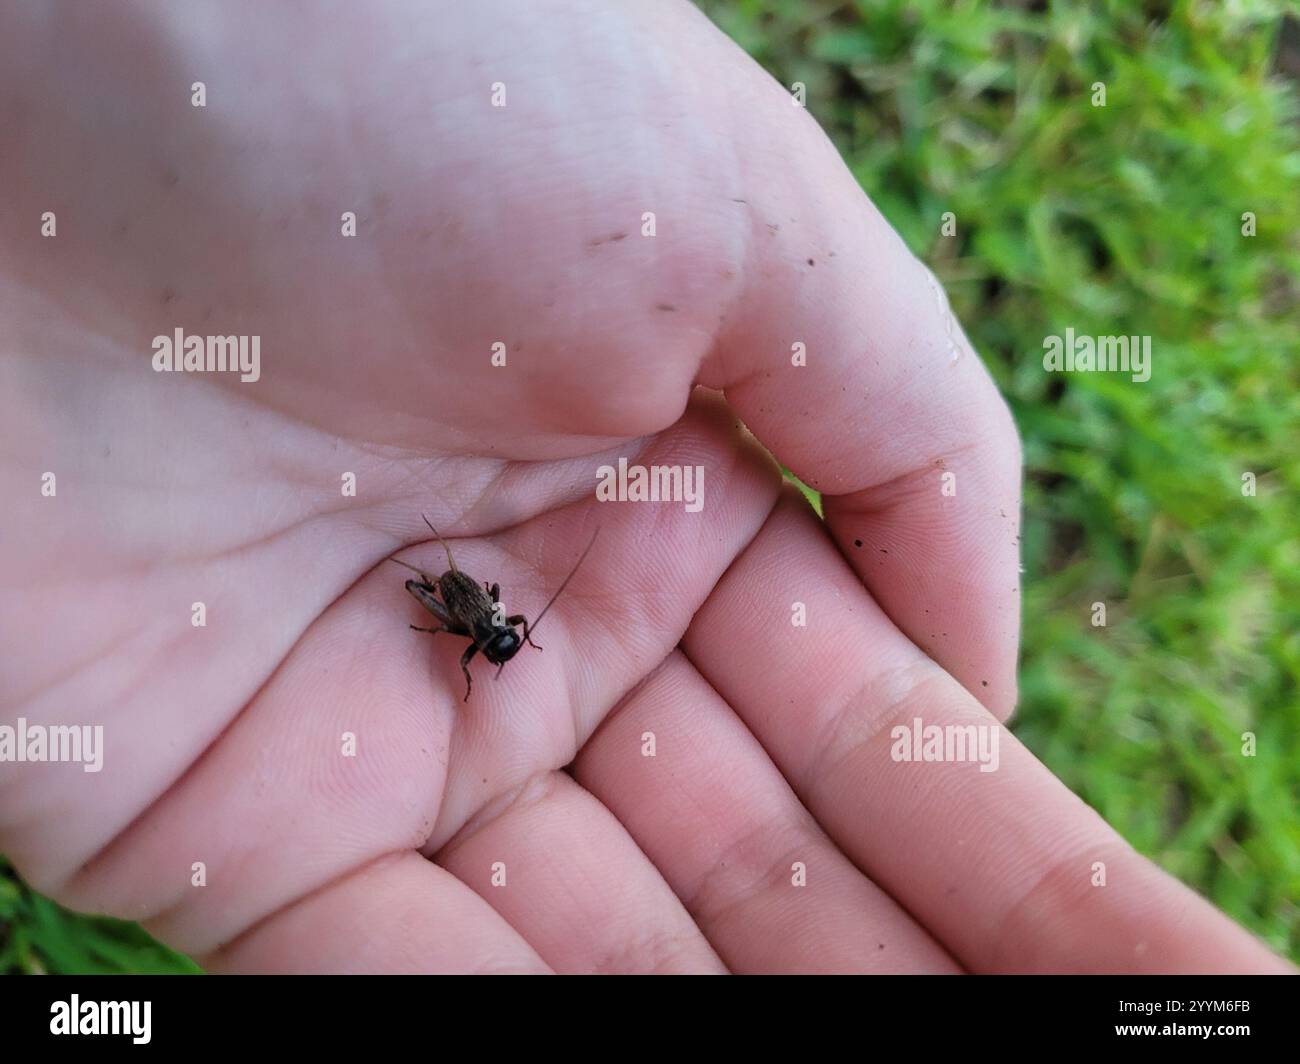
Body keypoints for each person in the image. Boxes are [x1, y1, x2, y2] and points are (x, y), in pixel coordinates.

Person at [0, 0, 1288, 974]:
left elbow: (457, 614)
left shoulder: (472, 624)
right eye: (500, 637)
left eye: (497, 638)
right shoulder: (468, 620)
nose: (498, 642)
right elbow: (452, 610)